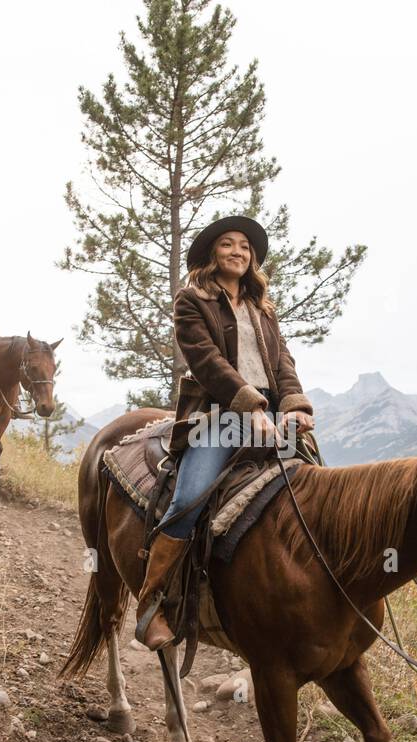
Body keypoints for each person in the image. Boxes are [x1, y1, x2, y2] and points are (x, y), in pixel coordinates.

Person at [134, 215, 316, 651]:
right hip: (218, 415)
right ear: (212, 254)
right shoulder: (192, 300)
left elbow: (283, 364)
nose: (238, 251)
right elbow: (206, 360)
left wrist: (295, 407)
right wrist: (249, 405)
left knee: (317, 485)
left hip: (271, 415)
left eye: (245, 247)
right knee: (188, 499)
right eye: (228, 244)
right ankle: (151, 604)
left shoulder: (262, 308)